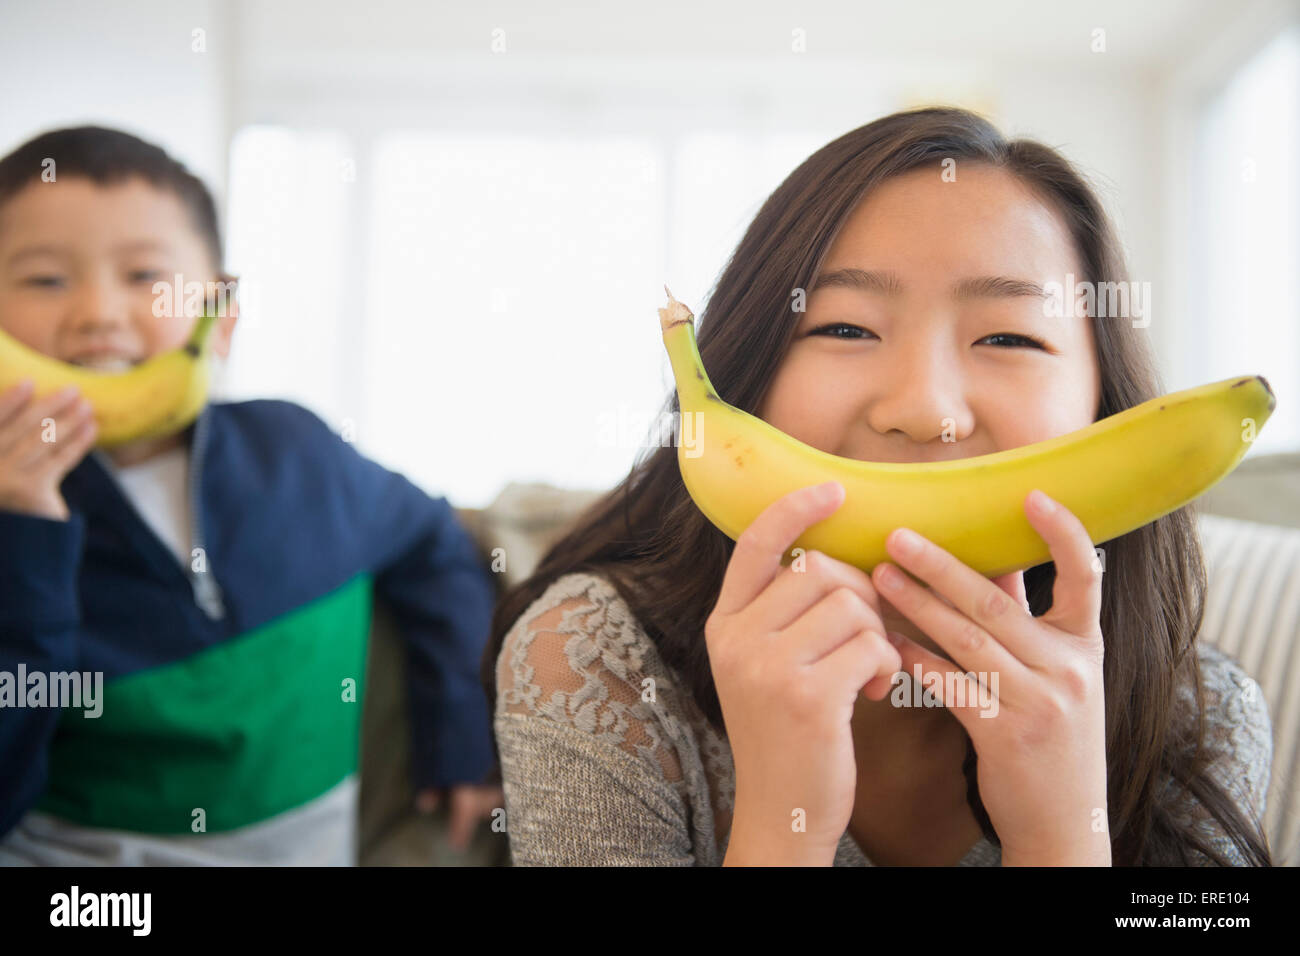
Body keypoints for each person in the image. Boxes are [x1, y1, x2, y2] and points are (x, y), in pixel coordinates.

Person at [482, 107, 1273, 866]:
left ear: (1105, 407)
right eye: (845, 328)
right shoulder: (593, 666)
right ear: (746, 376)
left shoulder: (1200, 722)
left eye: (1008, 336)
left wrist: (1064, 838)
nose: (925, 411)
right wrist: (782, 830)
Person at [0, 126, 502, 864]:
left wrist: (462, 723)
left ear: (221, 314)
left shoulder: (299, 456)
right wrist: (26, 537)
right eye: (46, 280)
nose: (97, 314)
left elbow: (433, 542)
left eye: (144, 277)